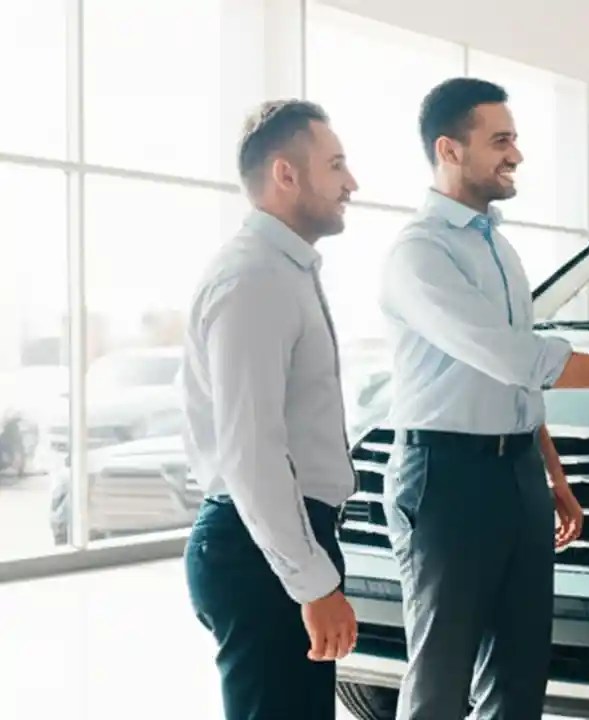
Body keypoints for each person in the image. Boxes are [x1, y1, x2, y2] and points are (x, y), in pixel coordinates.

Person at [379, 77, 589, 720]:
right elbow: (516, 358)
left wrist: (552, 474)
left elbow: (516, 380)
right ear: (449, 149)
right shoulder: (419, 254)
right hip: (446, 477)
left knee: (520, 675)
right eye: (500, 140)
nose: (516, 154)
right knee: (441, 676)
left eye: (515, 139)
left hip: (515, 471)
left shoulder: (500, 249)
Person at [181, 99, 360, 719]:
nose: (351, 183)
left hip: (278, 541)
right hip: (259, 551)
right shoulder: (254, 278)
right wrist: (311, 583)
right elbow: (252, 452)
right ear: (286, 174)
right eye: (335, 165)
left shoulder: (282, 270)